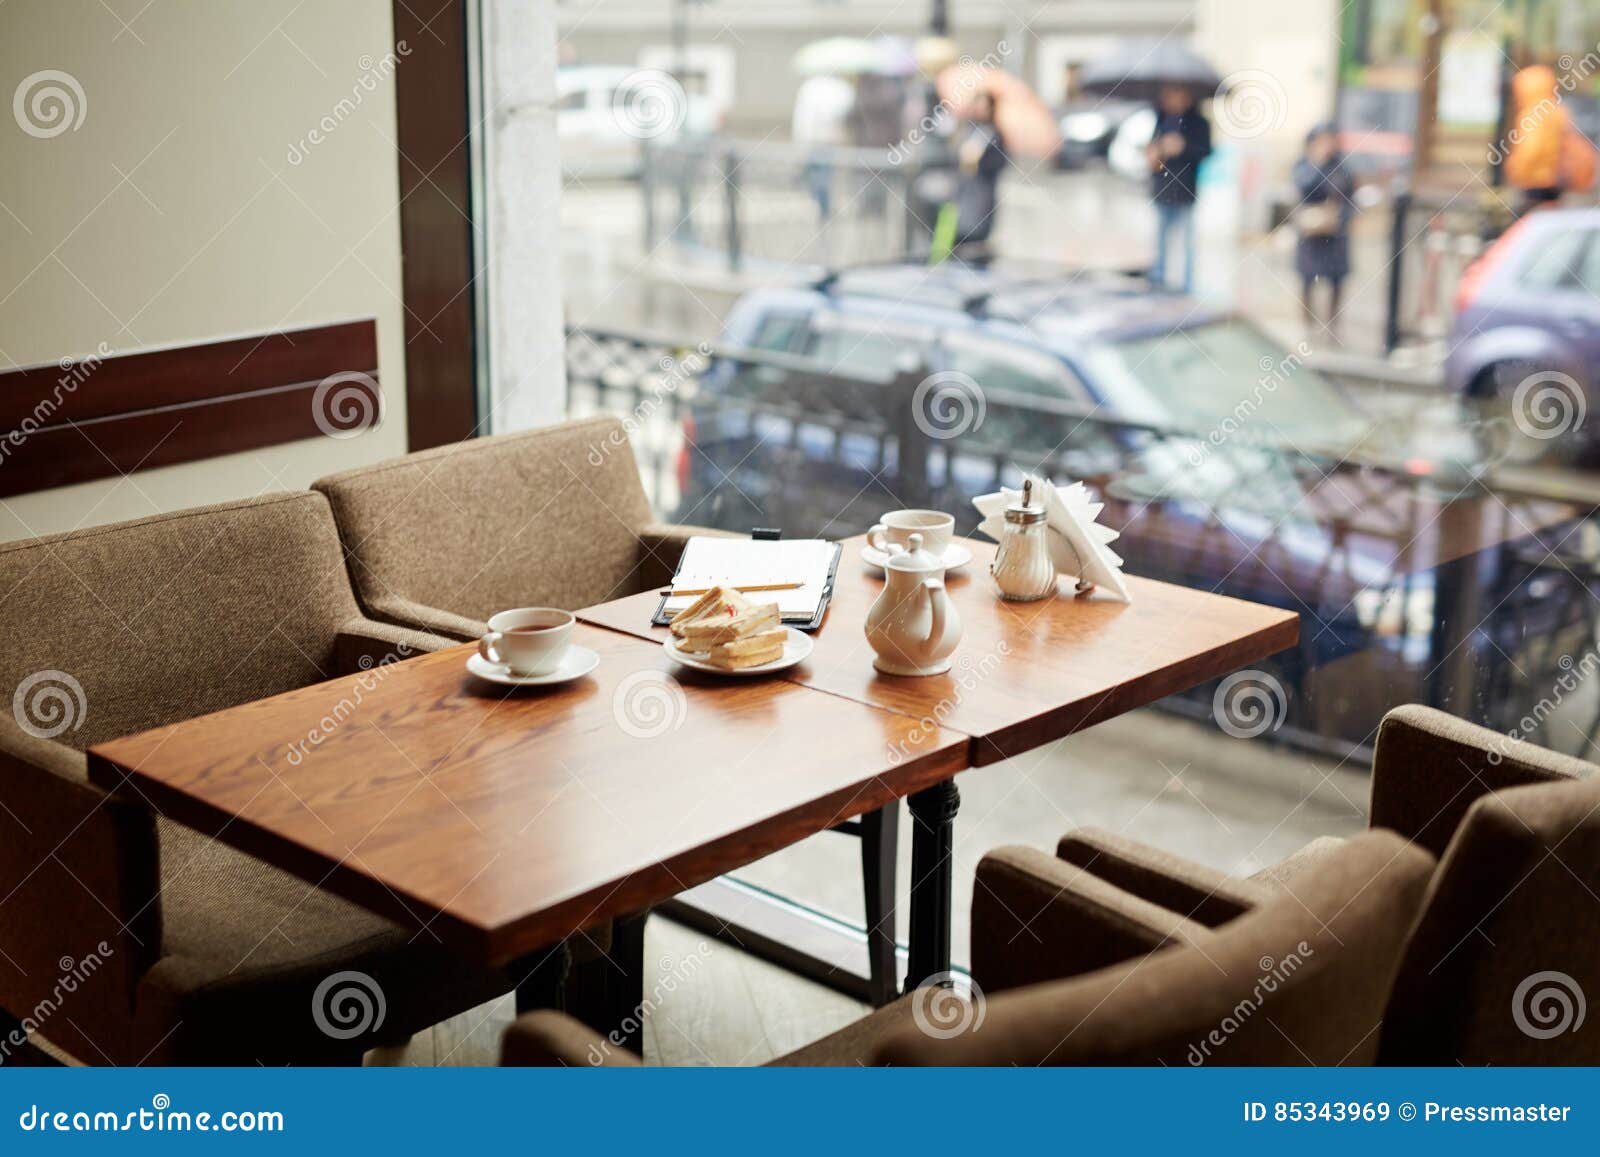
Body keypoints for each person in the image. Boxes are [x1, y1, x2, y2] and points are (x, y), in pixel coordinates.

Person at [1291, 123, 1355, 339]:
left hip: (1335, 233)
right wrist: (1317, 163)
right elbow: (1303, 187)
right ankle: (1307, 324)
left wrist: (1341, 218)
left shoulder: (1342, 167)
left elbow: (1349, 198)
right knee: (1307, 279)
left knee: (1336, 279)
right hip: (1310, 233)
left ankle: (1332, 325)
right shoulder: (1303, 164)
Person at [1146, 85, 1211, 294]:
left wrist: (1183, 146)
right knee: (1160, 240)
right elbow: (1151, 152)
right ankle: (1158, 280)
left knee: (1187, 243)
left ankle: (1187, 285)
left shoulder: (1199, 123)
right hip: (1161, 189)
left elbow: (1205, 150)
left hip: (1186, 190)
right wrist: (1157, 150)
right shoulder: (1160, 120)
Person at [944, 89, 1008, 258]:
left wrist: (980, 161)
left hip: (982, 196)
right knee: (956, 240)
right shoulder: (968, 130)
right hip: (963, 193)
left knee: (976, 242)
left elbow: (1000, 163)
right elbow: (954, 158)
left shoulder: (995, 134)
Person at [791, 72, 856, 221]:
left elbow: (803, 119)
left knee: (820, 175)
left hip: (816, 140)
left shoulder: (810, 89)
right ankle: (824, 204)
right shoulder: (840, 89)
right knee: (824, 174)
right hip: (827, 139)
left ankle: (823, 205)